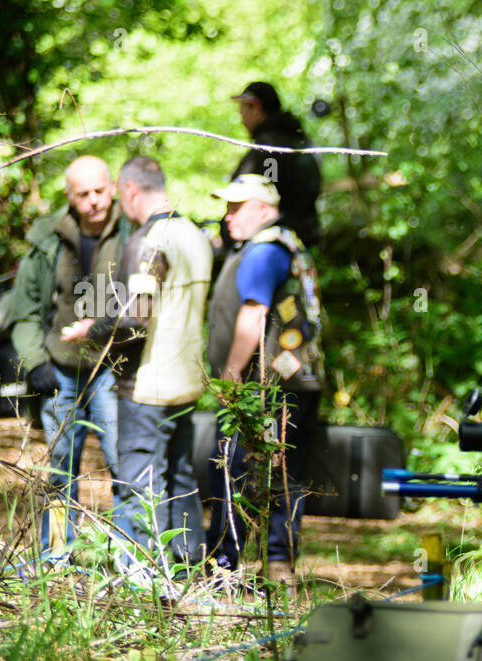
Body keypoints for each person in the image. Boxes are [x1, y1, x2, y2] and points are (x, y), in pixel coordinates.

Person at [63, 156, 212, 567]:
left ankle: (138, 578)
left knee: (138, 483)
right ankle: (186, 568)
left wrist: (89, 332)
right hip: (187, 380)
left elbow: (136, 321)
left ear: (128, 189)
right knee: (181, 478)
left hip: (148, 384)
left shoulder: (148, 241)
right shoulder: (193, 234)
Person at [205, 174, 324, 590]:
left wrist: (233, 372)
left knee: (241, 471)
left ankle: (222, 567)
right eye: (226, 207)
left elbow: (254, 314)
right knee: (286, 475)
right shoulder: (290, 245)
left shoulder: (263, 250)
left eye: (236, 208)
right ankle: (280, 568)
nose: (228, 217)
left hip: (268, 389)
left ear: (262, 208)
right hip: (301, 381)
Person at [7, 155, 126, 553]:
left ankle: (133, 555)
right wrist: (36, 362)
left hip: (114, 368)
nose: (93, 201)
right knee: (60, 467)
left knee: (123, 462)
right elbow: (25, 311)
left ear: (112, 188)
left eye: (99, 191)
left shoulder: (135, 233)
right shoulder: (47, 241)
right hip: (61, 370)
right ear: (69, 197)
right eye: (83, 194)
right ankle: (56, 552)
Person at [228, 81, 321, 250]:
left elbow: (267, 192)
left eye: (243, 109)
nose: (241, 117)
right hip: (303, 237)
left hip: (275, 245)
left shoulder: (269, 148)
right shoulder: (296, 140)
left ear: (255, 107)